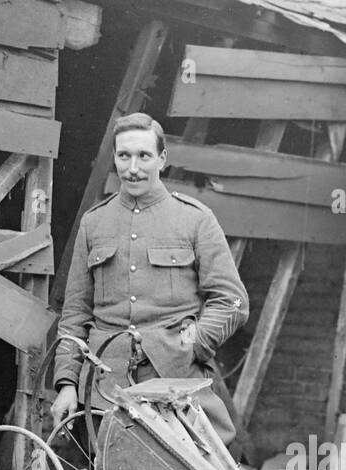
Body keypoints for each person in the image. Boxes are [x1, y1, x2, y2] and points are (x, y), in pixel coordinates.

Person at [50, 112, 249, 446]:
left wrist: (194, 343)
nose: (133, 167)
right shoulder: (94, 223)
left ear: (162, 159)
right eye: (124, 155)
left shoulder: (194, 219)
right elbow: (74, 315)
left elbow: (232, 301)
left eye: (144, 156)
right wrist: (67, 383)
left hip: (176, 382)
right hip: (104, 389)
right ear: (114, 157)